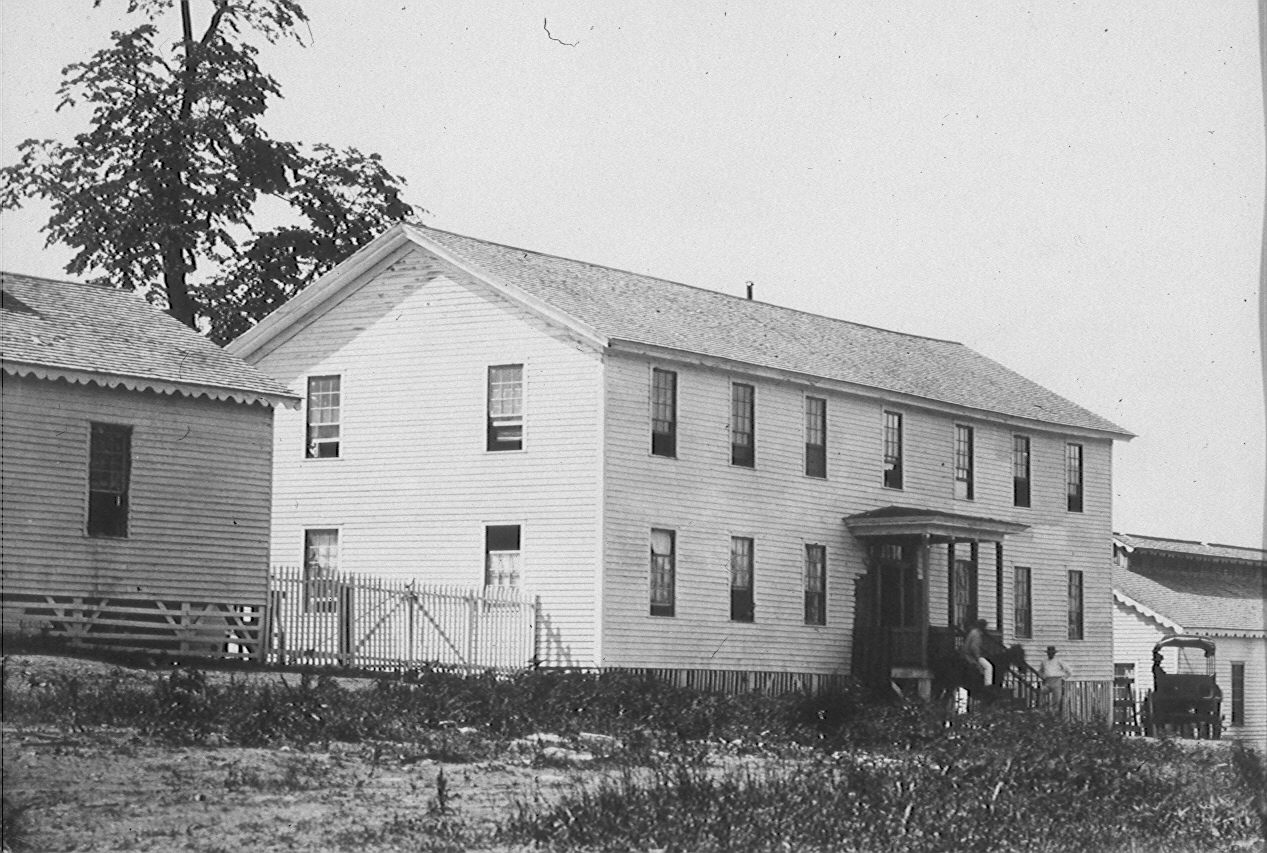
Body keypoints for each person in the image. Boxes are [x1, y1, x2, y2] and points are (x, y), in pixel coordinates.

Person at [1039, 645, 1073, 714]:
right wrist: (1043, 677)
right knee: (1040, 693)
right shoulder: (1044, 661)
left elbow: (1069, 671)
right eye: (1049, 653)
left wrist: (1063, 678)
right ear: (1047, 653)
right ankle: (1042, 710)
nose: (1050, 654)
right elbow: (1040, 671)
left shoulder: (1058, 660)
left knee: (1057, 699)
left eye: (1052, 653)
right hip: (1048, 681)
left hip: (1057, 681)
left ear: (1054, 653)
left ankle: (1054, 714)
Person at [962, 619, 993, 688]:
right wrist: (977, 656)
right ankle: (988, 686)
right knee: (988, 666)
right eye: (984, 626)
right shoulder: (976, 634)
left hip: (968, 654)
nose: (985, 628)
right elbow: (974, 647)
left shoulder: (973, 632)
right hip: (970, 656)